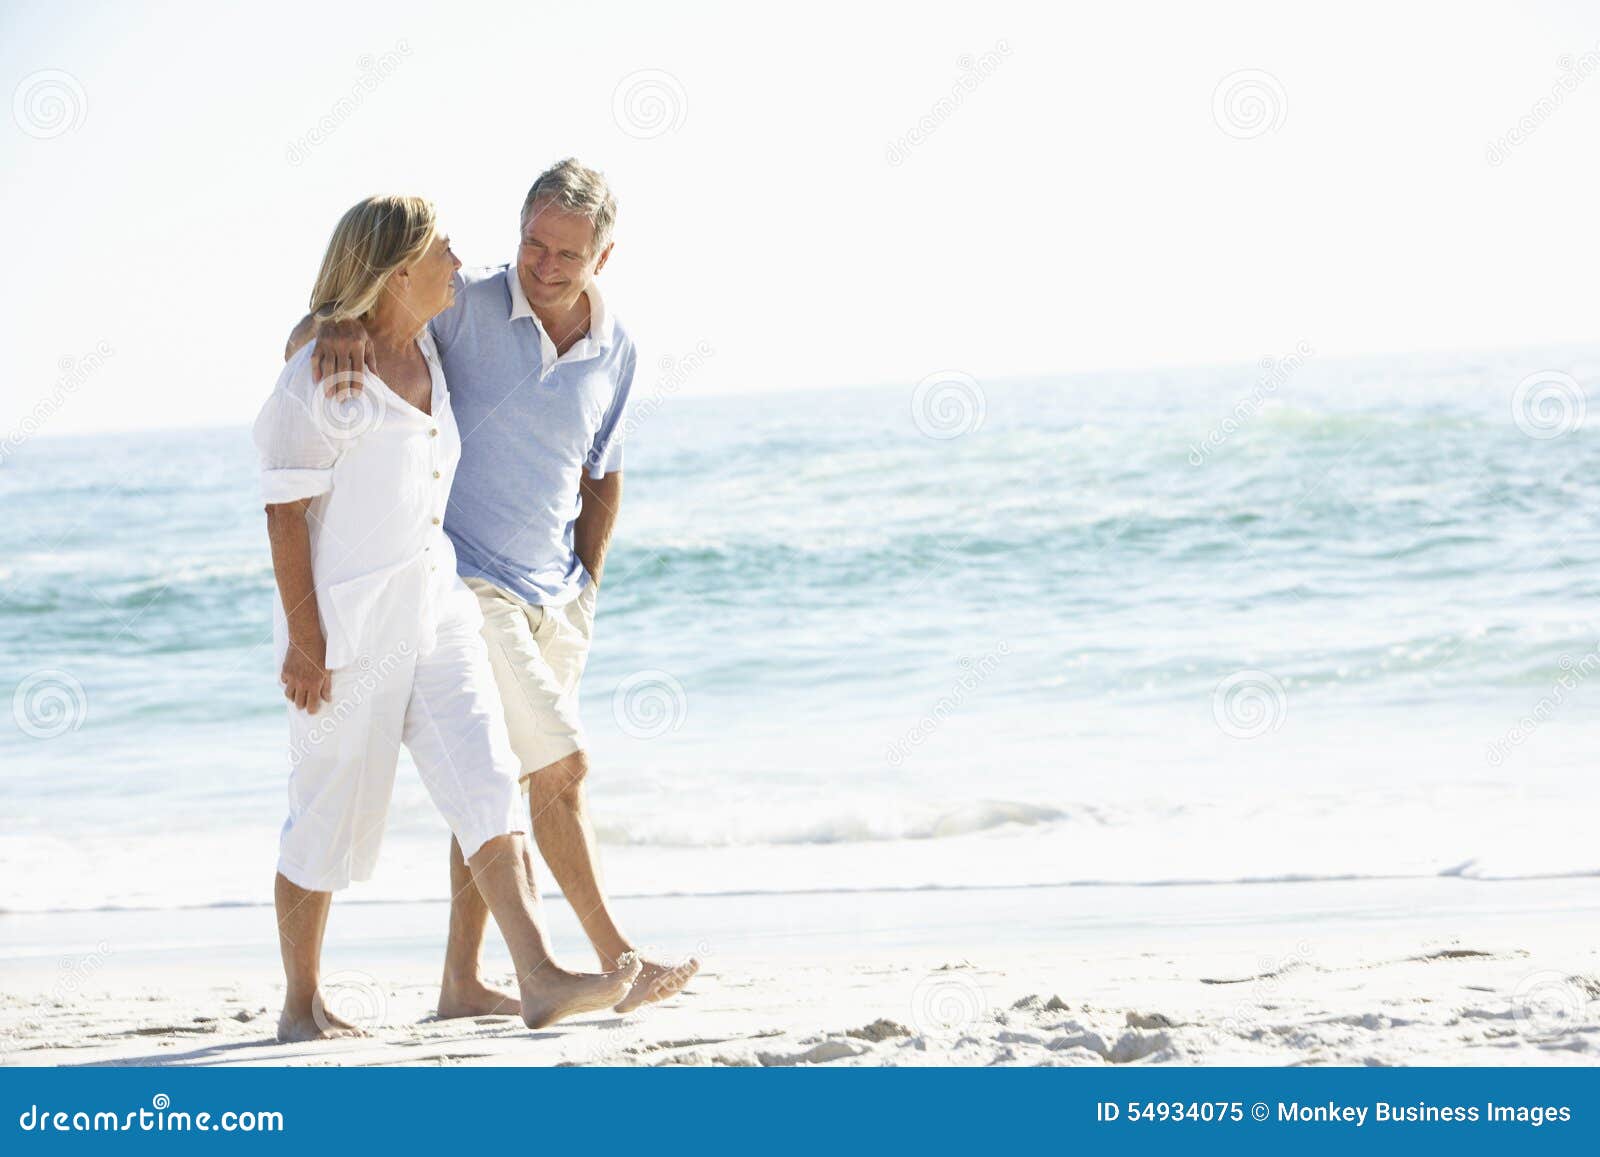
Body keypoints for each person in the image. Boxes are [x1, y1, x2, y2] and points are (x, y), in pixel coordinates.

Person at [289, 160, 698, 1017]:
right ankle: (615, 960)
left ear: (605, 257)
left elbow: (603, 474)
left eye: (568, 254)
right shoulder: (462, 302)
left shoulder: (616, 346)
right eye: (533, 244)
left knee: (490, 783)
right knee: (561, 768)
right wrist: (326, 321)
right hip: (465, 583)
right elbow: (358, 319)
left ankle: (461, 982)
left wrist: (586, 583)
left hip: (555, 592)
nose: (544, 266)